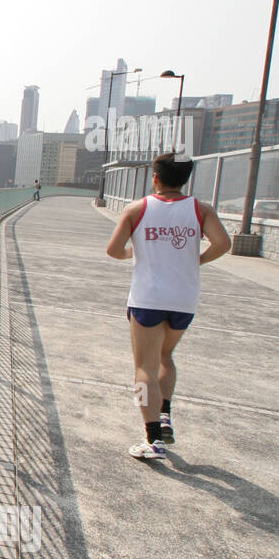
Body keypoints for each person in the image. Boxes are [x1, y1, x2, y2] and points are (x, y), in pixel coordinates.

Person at [105, 152, 231, 460]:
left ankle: (153, 440)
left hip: (148, 297)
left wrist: (132, 255)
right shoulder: (201, 210)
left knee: (143, 367)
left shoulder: (138, 208)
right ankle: (164, 417)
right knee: (165, 356)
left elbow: (113, 249)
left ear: (156, 177)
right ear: (185, 179)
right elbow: (224, 244)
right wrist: (197, 259)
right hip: (184, 299)